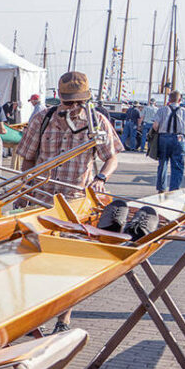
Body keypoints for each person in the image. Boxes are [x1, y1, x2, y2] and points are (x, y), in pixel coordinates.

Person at [15, 71, 122, 333]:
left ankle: (63, 320)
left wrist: (101, 178)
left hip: (75, 205)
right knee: (33, 260)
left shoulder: (97, 123)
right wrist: (24, 186)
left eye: (78, 102)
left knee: (68, 264)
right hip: (41, 201)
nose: (73, 108)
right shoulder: (42, 119)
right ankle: (33, 315)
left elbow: (111, 157)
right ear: (58, 98)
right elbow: (27, 158)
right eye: (68, 102)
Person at [150, 91, 185, 192]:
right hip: (179, 138)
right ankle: (174, 189)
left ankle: (161, 188)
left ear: (169, 100)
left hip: (163, 138)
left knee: (162, 163)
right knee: (178, 165)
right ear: (180, 100)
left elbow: (155, 126)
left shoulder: (161, 110)